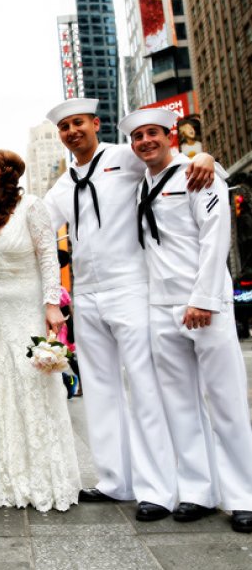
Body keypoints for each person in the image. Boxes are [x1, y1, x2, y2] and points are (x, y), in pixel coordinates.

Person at [44, 97, 216, 522]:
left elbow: (174, 164)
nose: (72, 132)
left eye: (78, 123)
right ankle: (113, 479)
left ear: (96, 124)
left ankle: (157, 488)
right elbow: (37, 226)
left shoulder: (126, 157)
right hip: (85, 293)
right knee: (100, 389)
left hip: (131, 286)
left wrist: (206, 156)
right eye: (65, 127)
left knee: (144, 385)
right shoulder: (63, 183)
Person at [120, 107, 252, 533]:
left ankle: (244, 494)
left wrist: (204, 298)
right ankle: (197, 490)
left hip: (203, 305)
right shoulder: (141, 184)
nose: (145, 142)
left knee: (227, 400)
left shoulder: (198, 174)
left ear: (169, 135)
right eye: (138, 136)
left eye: (152, 133)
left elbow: (217, 237)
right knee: (181, 405)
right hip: (160, 308)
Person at [0, 149, 81, 511]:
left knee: (31, 385)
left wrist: (51, 305)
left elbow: (48, 256)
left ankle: (41, 475)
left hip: (27, 308)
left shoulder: (32, 206)